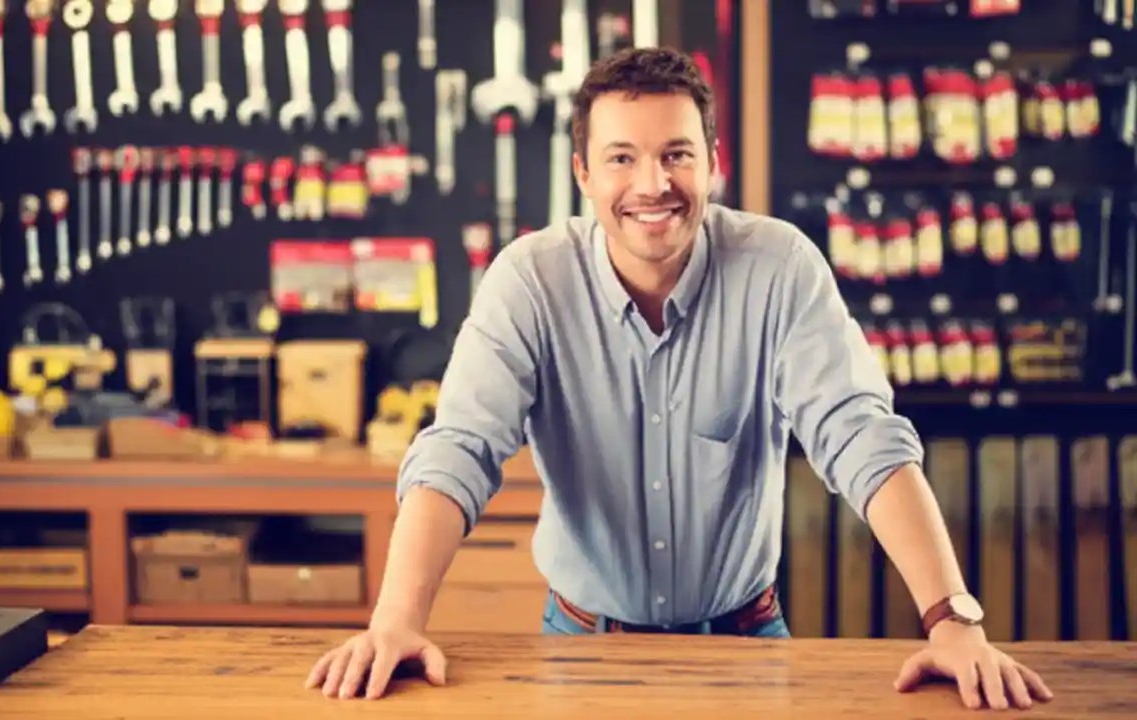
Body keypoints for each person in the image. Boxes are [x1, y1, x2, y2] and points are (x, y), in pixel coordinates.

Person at [304, 46, 1054, 711]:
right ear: (583, 173)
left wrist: (953, 622)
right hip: (580, 644)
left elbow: (861, 436)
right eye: (622, 157)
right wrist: (396, 623)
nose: (653, 184)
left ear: (712, 162)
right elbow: (459, 447)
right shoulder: (528, 281)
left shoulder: (779, 267)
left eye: (677, 154)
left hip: (749, 639)